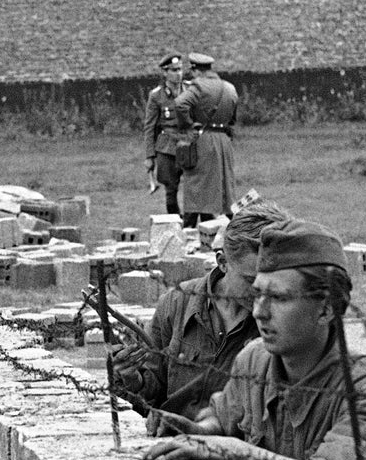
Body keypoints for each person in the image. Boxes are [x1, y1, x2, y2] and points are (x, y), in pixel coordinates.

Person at [140, 218, 366, 460]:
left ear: (326, 309)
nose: (259, 312)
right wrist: (195, 431)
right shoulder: (253, 361)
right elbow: (223, 418)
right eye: (257, 294)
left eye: (279, 298)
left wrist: (232, 450)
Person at [109, 198, 292, 425]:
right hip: (171, 437)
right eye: (251, 280)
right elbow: (151, 393)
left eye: (273, 282)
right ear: (223, 262)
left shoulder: (283, 322)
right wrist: (131, 377)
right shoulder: (177, 304)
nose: (263, 293)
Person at [174, 53, 238, 225]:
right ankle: (224, 226)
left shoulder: (198, 86)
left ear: (196, 70)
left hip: (204, 140)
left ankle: (189, 228)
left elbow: (180, 104)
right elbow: (233, 118)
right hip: (224, 142)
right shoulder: (230, 88)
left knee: (197, 185)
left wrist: (188, 125)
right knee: (224, 186)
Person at [142, 53, 184, 215]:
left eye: (180, 69)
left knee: (195, 186)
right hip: (167, 148)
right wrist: (149, 155)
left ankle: (194, 223)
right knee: (170, 189)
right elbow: (149, 127)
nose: (178, 73)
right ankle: (174, 221)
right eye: (174, 70)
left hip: (189, 145)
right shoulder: (156, 95)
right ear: (165, 73)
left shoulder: (191, 90)